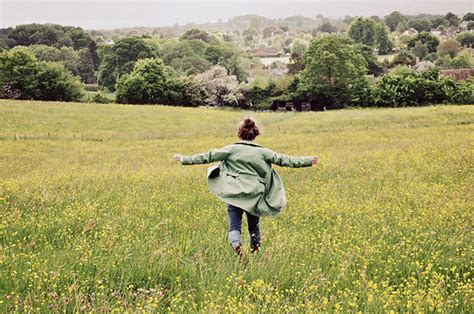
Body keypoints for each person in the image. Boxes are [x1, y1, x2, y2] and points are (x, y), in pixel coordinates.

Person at [173, 117, 318, 256]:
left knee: (234, 226)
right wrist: (307, 161)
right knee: (254, 227)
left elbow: (208, 156)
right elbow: (286, 160)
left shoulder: (231, 149)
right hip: (255, 195)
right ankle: (255, 253)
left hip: (234, 194)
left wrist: (185, 159)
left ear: (239, 133)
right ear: (255, 134)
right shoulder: (263, 152)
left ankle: (236, 243)